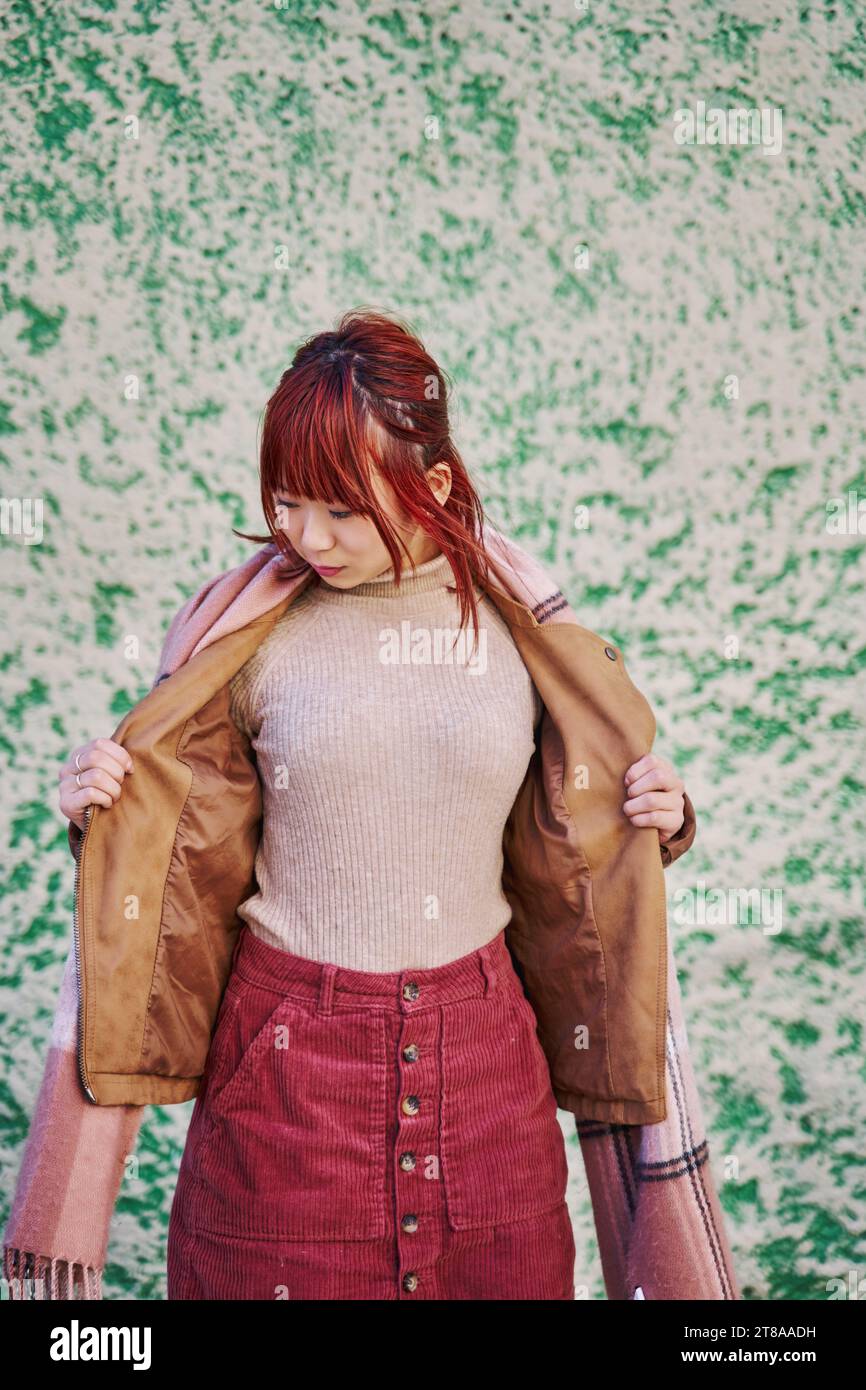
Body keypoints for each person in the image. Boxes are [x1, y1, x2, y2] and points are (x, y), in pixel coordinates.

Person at [4, 308, 739, 1300]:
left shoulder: (525, 630)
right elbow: (173, 841)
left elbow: (580, 823)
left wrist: (659, 809)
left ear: (430, 485)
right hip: (284, 1081)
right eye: (289, 501)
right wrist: (99, 809)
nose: (308, 536)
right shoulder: (243, 633)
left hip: (488, 1086)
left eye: (342, 509)